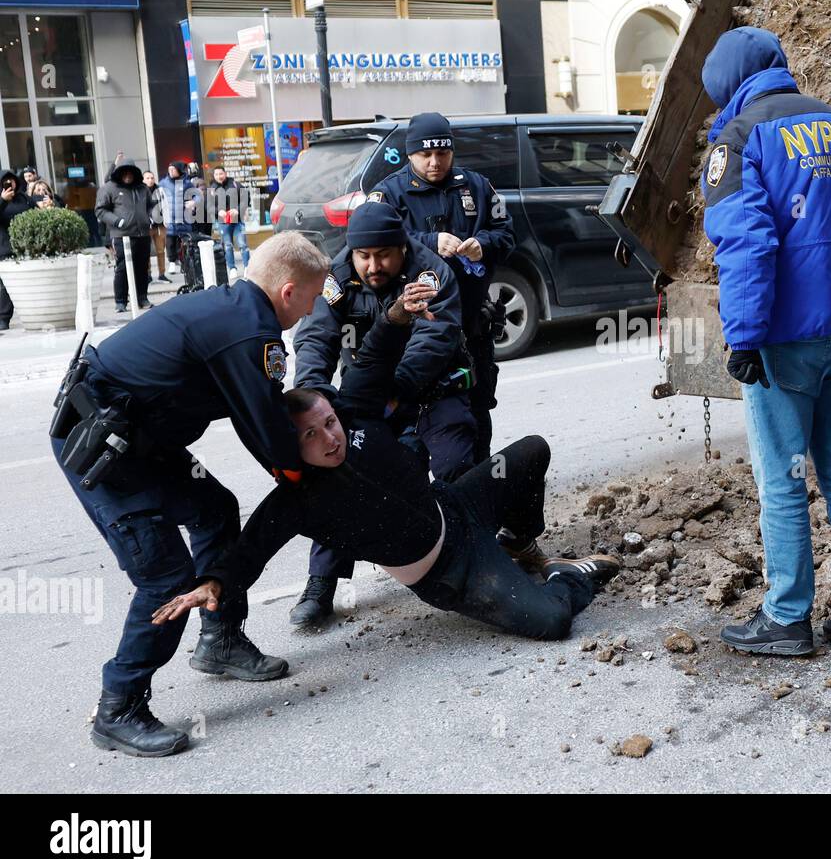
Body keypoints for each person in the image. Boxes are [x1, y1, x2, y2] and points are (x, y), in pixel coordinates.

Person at [151, 283, 619, 660]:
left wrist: (395, 316)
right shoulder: (296, 501)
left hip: (458, 505)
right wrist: (212, 584)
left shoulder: (354, 412)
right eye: (311, 435)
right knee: (552, 621)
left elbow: (373, 357)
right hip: (451, 571)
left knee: (531, 450)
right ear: (291, 446)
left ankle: (517, 540)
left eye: (329, 423)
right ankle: (566, 577)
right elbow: (249, 552)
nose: (330, 438)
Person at [49, 231, 329, 758]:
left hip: (143, 441)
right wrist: (296, 477)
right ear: (288, 291)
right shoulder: (251, 329)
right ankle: (119, 707)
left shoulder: (237, 311)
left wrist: (286, 471)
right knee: (165, 579)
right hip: (103, 449)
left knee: (214, 508)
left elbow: (253, 414)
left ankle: (221, 639)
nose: (313, 309)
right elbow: (265, 423)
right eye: (313, 298)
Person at [699, 26, 831, 656]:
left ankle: (787, 617)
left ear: (728, 85)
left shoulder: (739, 140)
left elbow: (747, 244)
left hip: (782, 338)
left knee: (784, 477)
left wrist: (743, 336)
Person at [286, 201, 480, 625]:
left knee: (454, 464)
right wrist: (315, 395)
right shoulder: (337, 276)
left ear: (402, 248)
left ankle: (476, 558)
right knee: (339, 470)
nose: (373, 266)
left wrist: (395, 392)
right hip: (369, 390)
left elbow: (434, 338)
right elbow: (317, 336)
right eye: (364, 256)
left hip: (430, 389)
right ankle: (322, 580)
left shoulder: (429, 273)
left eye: (383, 255)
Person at [370, 112, 514, 463]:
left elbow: (507, 233)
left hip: (471, 326)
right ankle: (422, 493)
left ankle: (479, 487)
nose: (435, 162)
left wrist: (483, 244)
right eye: (425, 155)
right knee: (410, 421)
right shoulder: (387, 195)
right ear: (410, 154)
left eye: (443, 153)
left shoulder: (477, 186)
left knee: (477, 412)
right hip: (416, 332)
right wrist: (429, 241)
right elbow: (373, 250)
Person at [96, 158, 154, 313]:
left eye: (130, 173)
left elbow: (151, 206)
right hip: (122, 235)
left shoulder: (142, 188)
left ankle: (142, 298)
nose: (128, 176)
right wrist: (116, 221)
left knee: (142, 268)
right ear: (119, 174)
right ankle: (121, 301)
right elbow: (100, 210)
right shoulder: (109, 188)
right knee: (122, 268)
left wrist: (150, 218)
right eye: (124, 173)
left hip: (143, 234)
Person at [0, 168, 33, 331]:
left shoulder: (23, 198)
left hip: (24, 247)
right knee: (4, 286)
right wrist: (2, 200)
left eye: (11, 180)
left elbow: (34, 212)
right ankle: (3, 318)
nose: (9, 184)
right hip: (4, 248)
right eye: (6, 181)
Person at [207, 167, 249, 276]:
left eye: (221, 174)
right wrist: (218, 211)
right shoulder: (211, 189)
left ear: (225, 174)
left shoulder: (235, 184)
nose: (219, 176)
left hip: (238, 220)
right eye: (216, 174)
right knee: (228, 246)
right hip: (223, 221)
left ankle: (247, 267)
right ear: (214, 176)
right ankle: (232, 268)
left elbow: (245, 199)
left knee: (243, 244)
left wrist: (237, 210)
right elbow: (209, 206)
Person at [158, 161, 194, 277]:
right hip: (169, 218)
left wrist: (193, 202)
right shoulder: (164, 183)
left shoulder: (187, 183)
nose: (171, 171)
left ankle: (184, 262)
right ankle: (172, 262)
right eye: (169, 169)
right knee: (170, 241)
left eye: (173, 169)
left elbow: (197, 195)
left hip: (183, 217)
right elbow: (156, 195)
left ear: (179, 170)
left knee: (183, 242)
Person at [143, 170, 169, 284]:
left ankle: (162, 274)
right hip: (146, 225)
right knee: (146, 251)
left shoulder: (160, 190)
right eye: (147, 178)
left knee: (161, 250)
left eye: (152, 178)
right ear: (143, 180)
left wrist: (166, 221)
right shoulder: (140, 191)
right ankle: (148, 274)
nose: (150, 180)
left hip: (160, 224)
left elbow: (165, 205)